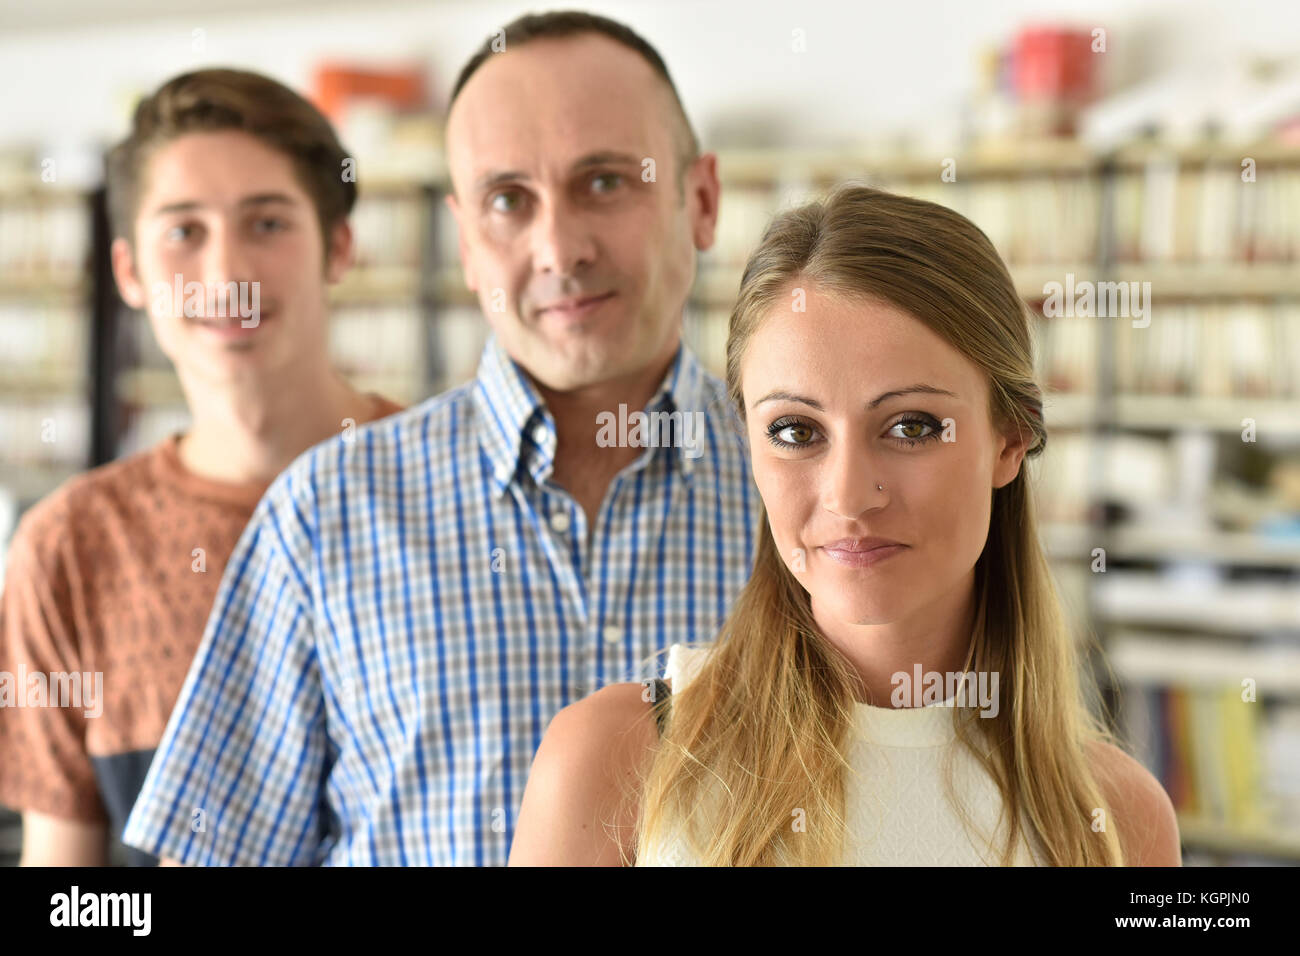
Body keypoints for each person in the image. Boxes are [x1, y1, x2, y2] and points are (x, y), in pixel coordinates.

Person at [122, 11, 759, 866]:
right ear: (464, 239)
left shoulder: (806, 496)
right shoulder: (325, 514)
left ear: (702, 200)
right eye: (508, 200)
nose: (559, 248)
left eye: (605, 182)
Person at [508, 184, 1183, 866]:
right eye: (796, 430)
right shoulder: (616, 762)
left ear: (1009, 440)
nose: (850, 496)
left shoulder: (1120, 819)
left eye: (911, 427)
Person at [0, 68, 403, 865]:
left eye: (267, 223)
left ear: (340, 246)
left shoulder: (467, 488)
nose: (227, 276)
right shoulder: (68, 548)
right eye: (184, 231)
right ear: (130, 274)